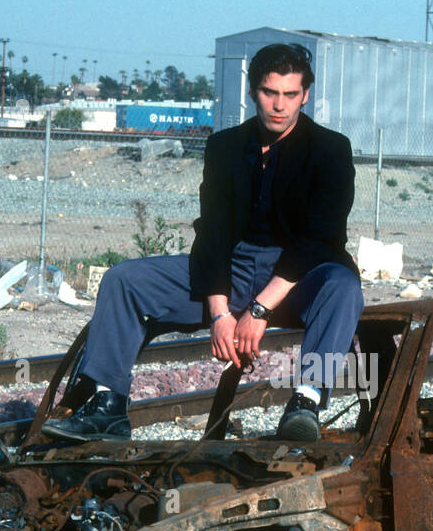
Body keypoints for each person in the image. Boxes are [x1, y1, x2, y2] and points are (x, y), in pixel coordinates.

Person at [45, 42, 363, 444]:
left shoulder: (330, 150)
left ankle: (306, 401)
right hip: (232, 270)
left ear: (306, 94)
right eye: (269, 93)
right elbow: (212, 232)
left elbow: (320, 238)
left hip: (301, 279)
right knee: (124, 280)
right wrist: (219, 313)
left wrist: (260, 310)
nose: (279, 105)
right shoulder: (226, 147)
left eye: (290, 95)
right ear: (253, 92)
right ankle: (107, 406)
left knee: (344, 286)